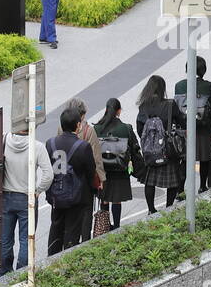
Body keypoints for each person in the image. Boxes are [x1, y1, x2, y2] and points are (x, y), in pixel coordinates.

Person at [0, 122, 51, 275]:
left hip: (5, 196)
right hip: (26, 198)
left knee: (5, 240)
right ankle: (21, 274)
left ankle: (4, 273)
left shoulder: (4, 140)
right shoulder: (37, 146)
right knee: (26, 240)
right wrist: (38, 190)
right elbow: (48, 175)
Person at [45, 107, 97, 257]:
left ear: (61, 125)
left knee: (55, 228)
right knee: (72, 232)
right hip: (76, 198)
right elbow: (90, 172)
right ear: (78, 125)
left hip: (56, 195)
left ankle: (51, 259)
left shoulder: (50, 144)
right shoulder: (83, 146)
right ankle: (68, 260)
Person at [135, 75, 187, 213]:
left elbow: (140, 130)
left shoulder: (143, 106)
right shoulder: (170, 105)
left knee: (149, 181)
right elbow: (183, 123)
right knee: (173, 181)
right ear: (162, 88)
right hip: (167, 150)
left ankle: (151, 210)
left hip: (150, 152)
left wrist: (150, 143)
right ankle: (168, 207)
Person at [94, 98, 144, 232]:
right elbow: (134, 149)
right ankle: (116, 227)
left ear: (106, 110)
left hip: (102, 171)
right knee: (117, 200)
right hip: (120, 169)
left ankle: (104, 227)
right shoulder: (125, 128)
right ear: (119, 111)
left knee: (104, 199)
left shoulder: (97, 128)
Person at [174, 55, 211, 193]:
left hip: (185, 129)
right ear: (203, 70)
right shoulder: (207, 85)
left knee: (186, 160)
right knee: (205, 158)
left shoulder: (179, 85)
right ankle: (202, 186)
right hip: (204, 129)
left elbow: (176, 109)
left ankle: (181, 190)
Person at [64, 97, 104, 245]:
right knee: (86, 215)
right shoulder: (89, 131)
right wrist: (101, 180)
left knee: (70, 219)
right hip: (84, 183)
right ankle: (85, 244)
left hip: (66, 181)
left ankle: (69, 245)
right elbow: (96, 158)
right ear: (82, 115)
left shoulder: (61, 129)